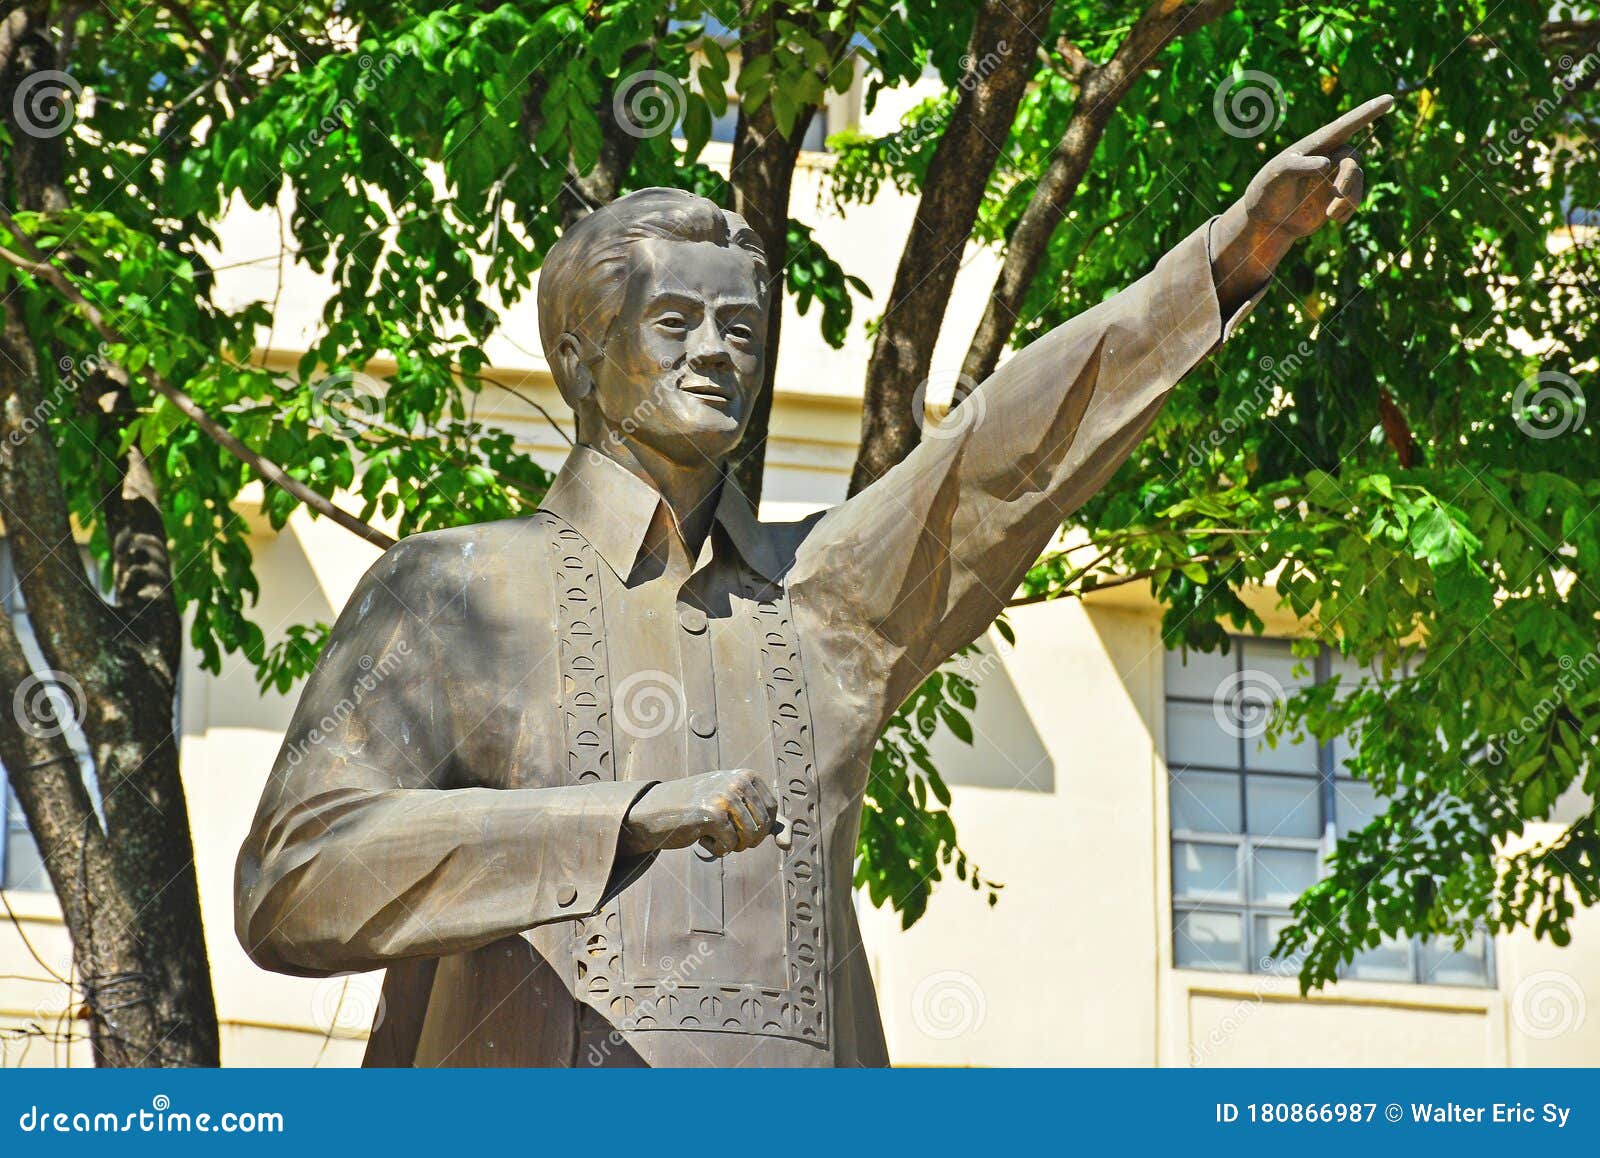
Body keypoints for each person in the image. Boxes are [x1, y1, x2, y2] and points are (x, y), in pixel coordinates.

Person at [235, 95, 1393, 1066]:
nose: (716, 352)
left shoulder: (819, 594)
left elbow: (997, 454)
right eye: (675, 320)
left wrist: (1224, 263)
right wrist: (621, 824)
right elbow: (293, 878)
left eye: (742, 330)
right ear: (581, 358)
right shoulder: (452, 587)